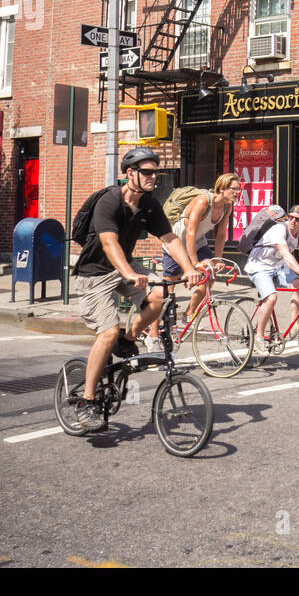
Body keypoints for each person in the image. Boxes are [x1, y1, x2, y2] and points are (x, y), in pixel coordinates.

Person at [70, 147, 206, 432]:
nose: (153, 177)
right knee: (107, 331)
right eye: (147, 172)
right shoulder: (109, 200)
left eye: (156, 172)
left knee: (159, 295)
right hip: (94, 273)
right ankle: (86, 401)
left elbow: (169, 238)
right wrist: (129, 272)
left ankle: (128, 339)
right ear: (130, 173)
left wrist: (191, 268)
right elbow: (109, 243)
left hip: (126, 268)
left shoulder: (149, 205)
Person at [164, 173, 242, 324]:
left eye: (239, 189)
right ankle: (164, 319)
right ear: (221, 188)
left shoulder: (227, 206)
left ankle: (189, 313)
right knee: (169, 284)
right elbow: (190, 233)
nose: (237, 193)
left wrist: (218, 259)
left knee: (210, 274)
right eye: (234, 189)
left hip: (198, 242)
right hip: (176, 241)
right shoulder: (203, 202)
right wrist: (194, 264)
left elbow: (220, 235)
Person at [246, 204, 299, 343]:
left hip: (278, 266)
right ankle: (258, 337)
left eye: (298, 219)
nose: (293, 221)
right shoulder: (279, 229)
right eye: (291, 217)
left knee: (298, 286)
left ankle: (295, 326)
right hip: (259, 266)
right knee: (271, 298)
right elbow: (286, 254)